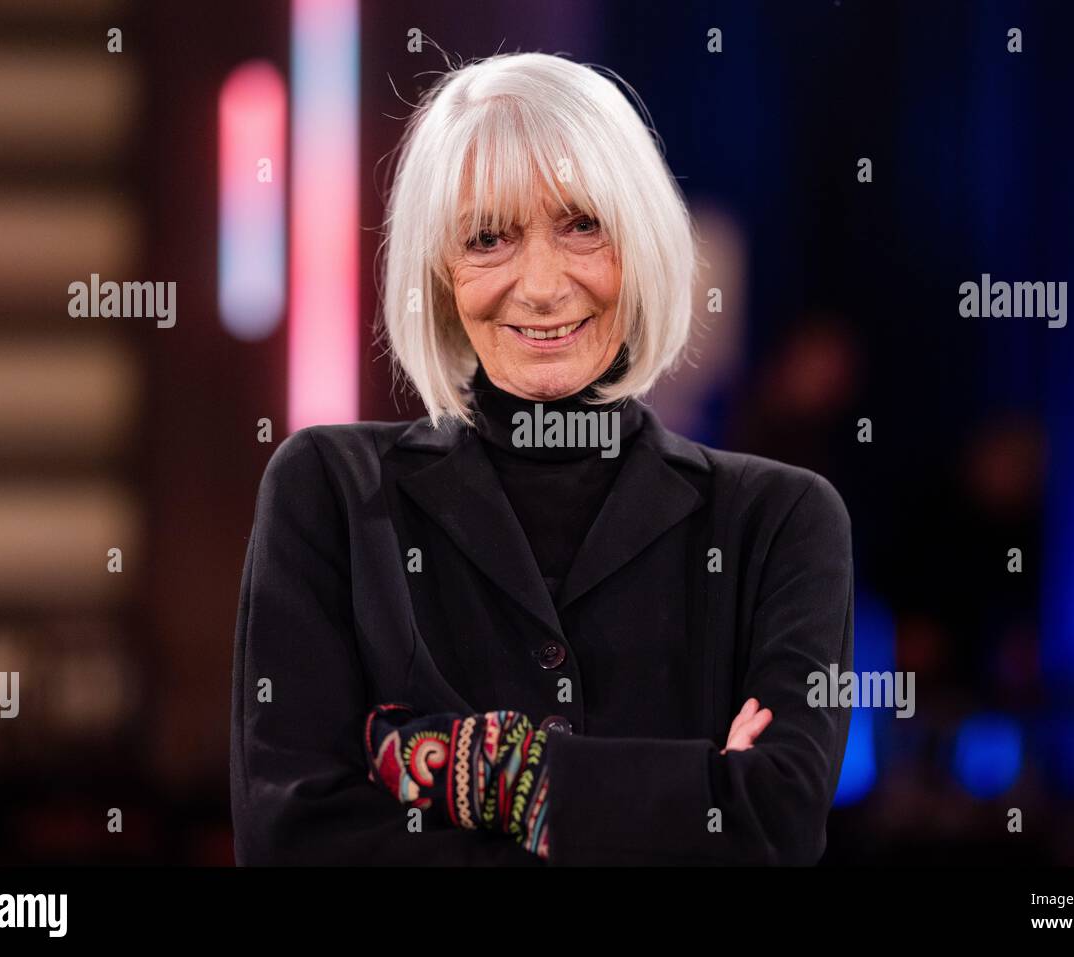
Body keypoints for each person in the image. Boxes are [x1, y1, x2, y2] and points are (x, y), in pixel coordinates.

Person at [230, 51, 853, 865]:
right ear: (439, 271)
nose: (542, 285)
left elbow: (775, 824)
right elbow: (293, 843)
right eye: (488, 237)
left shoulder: (781, 521)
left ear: (643, 246)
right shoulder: (329, 494)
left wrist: (500, 775)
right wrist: (689, 789)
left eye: (582, 225)